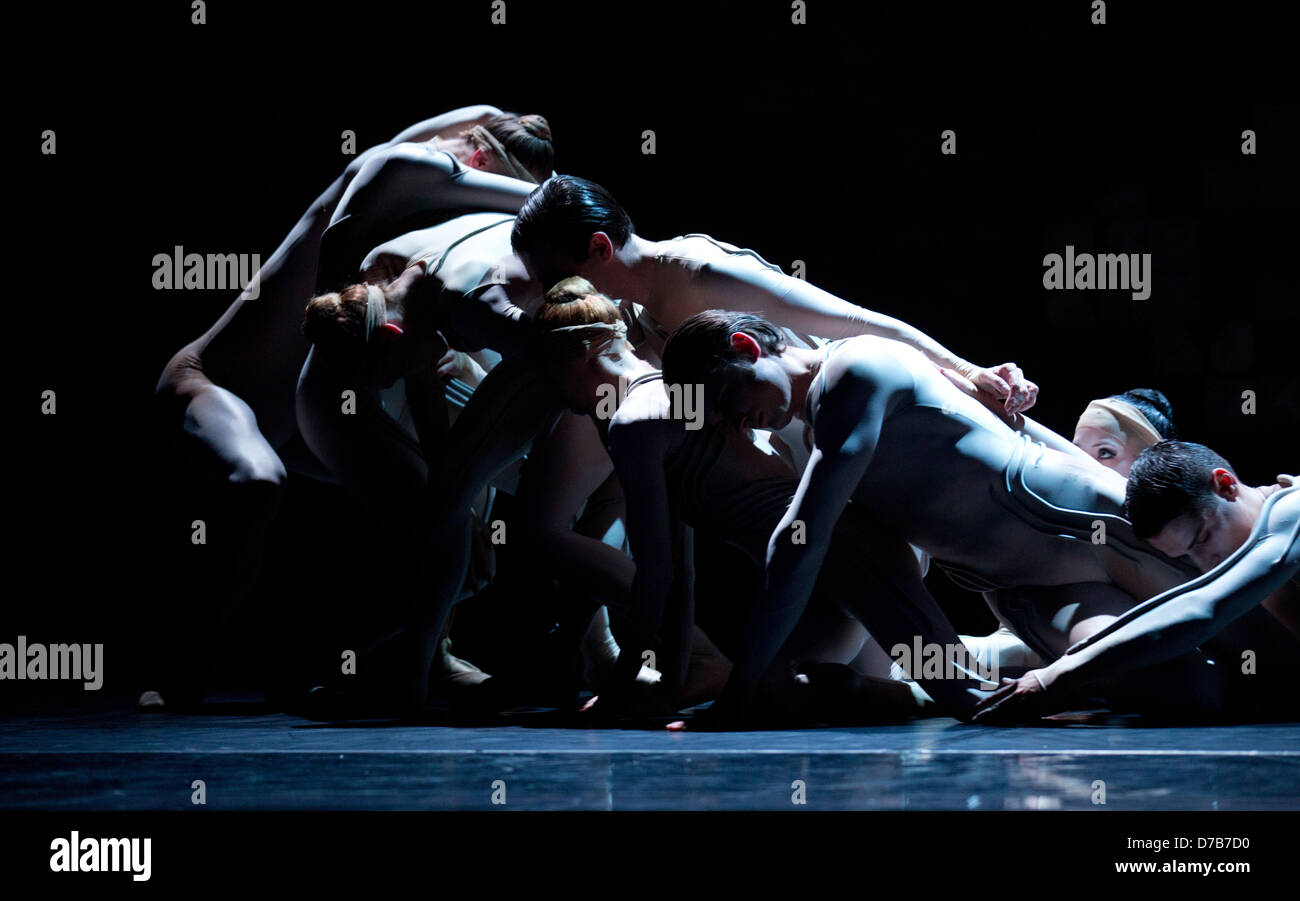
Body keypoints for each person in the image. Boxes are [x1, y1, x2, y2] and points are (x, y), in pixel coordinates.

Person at [144, 108, 552, 710]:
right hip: (211, 384)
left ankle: (397, 655)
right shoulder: (406, 166)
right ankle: (182, 664)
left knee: (445, 518)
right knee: (258, 481)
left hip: (293, 418)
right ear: (479, 157)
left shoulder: (415, 203)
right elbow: (538, 199)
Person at [659, 312, 1217, 724]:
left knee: (1260, 640)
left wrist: (739, 691)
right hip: (1028, 588)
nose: (736, 420)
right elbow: (869, 557)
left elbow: (797, 543)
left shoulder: (855, 367)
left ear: (746, 346)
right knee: (1188, 690)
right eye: (721, 417)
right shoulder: (819, 425)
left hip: (1088, 529)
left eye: (727, 397)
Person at [975, 441, 1298, 722]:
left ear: (1226, 485)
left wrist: (1055, 677)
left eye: (1202, 539)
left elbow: (1203, 606)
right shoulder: (1243, 550)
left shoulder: (1293, 507)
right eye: (1186, 557)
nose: (1206, 564)